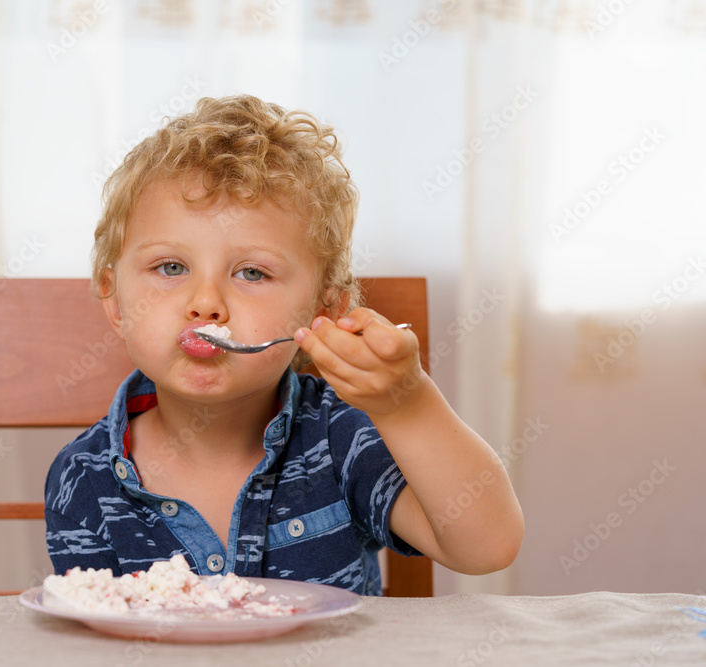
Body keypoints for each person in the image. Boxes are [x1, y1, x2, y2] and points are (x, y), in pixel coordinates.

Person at [44, 94, 523, 594]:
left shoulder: (343, 439)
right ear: (116, 302)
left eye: (252, 272)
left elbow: (488, 547)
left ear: (322, 312)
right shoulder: (83, 479)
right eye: (171, 267)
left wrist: (406, 406)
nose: (206, 303)